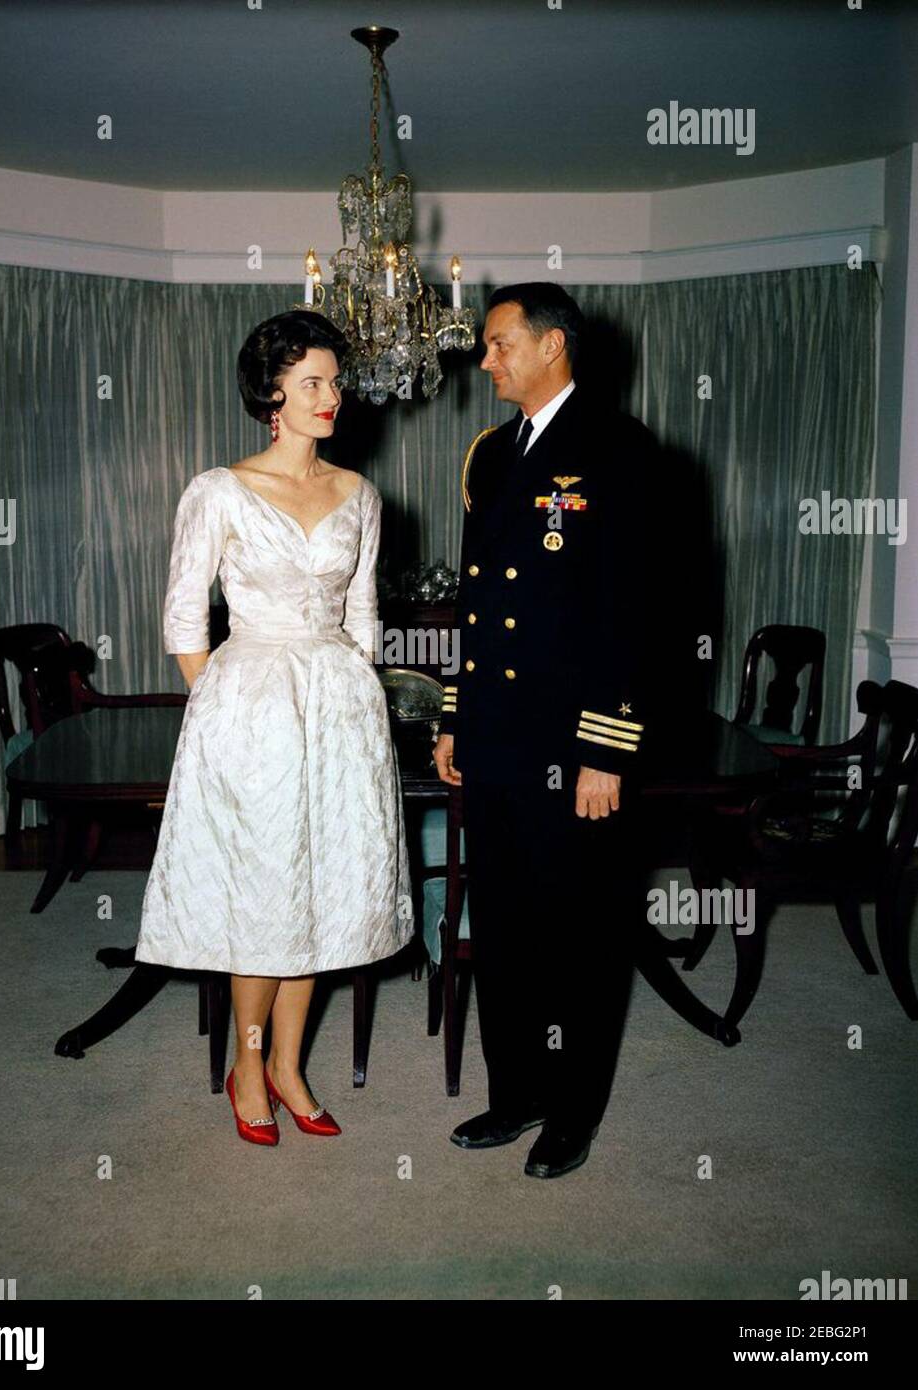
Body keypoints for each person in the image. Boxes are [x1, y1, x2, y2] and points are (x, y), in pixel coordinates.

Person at [136, 310, 412, 1146]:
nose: (332, 396)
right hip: (251, 706)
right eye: (313, 384)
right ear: (272, 395)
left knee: (322, 893)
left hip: (338, 707)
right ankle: (246, 1063)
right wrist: (219, 705)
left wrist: (358, 699)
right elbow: (185, 616)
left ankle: (290, 1065)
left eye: (334, 381)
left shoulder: (358, 494)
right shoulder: (219, 489)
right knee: (264, 895)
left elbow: (362, 615)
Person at [433, 283, 656, 1179]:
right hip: (495, 738)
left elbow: (634, 612)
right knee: (508, 922)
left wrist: (607, 747)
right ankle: (517, 1090)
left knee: (577, 930)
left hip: (572, 742)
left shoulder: (620, 450)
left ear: (552, 345)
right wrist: (454, 715)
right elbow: (473, 603)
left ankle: (572, 1110)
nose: (484, 360)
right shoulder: (490, 454)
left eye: (497, 344)